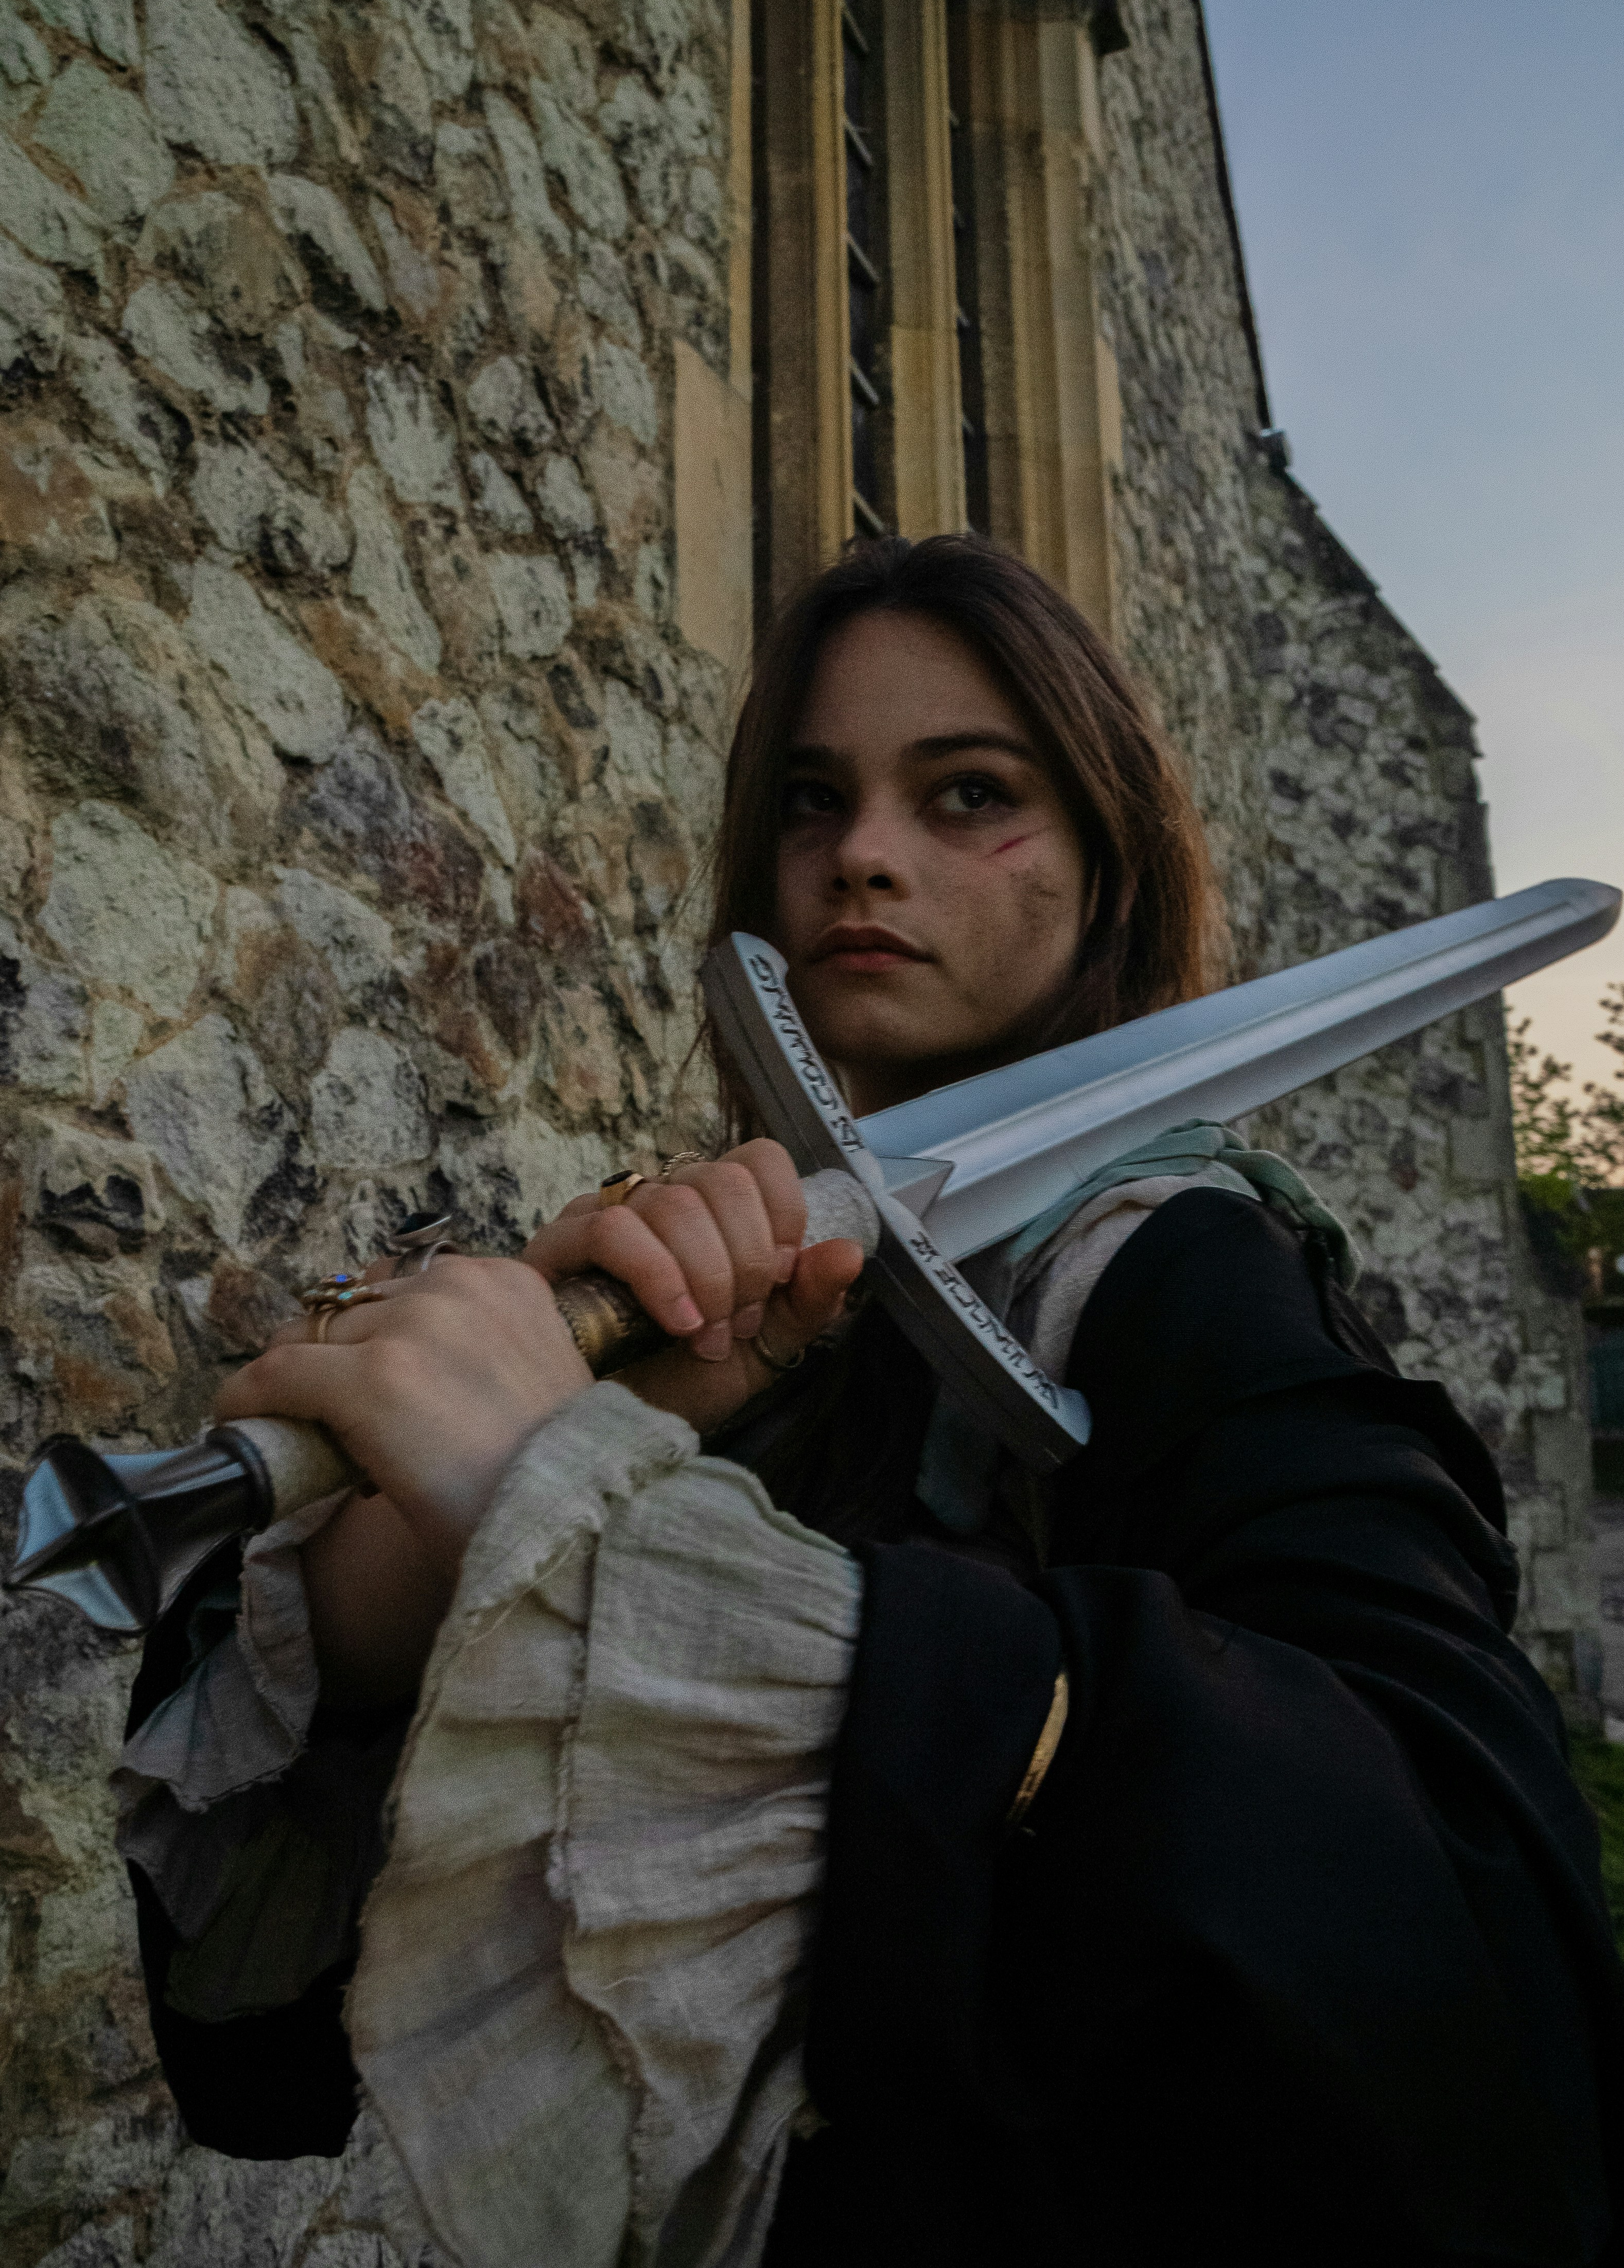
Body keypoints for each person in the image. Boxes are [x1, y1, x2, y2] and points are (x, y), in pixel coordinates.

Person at [118, 536, 1622, 2266]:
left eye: (969, 793)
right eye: (811, 800)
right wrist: (395, 1589)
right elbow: (320, 2033)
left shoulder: (1182, 1270)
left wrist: (585, 1513)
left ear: (1106, 865)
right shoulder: (727, 1295)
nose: (864, 856)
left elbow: (1465, 1908)